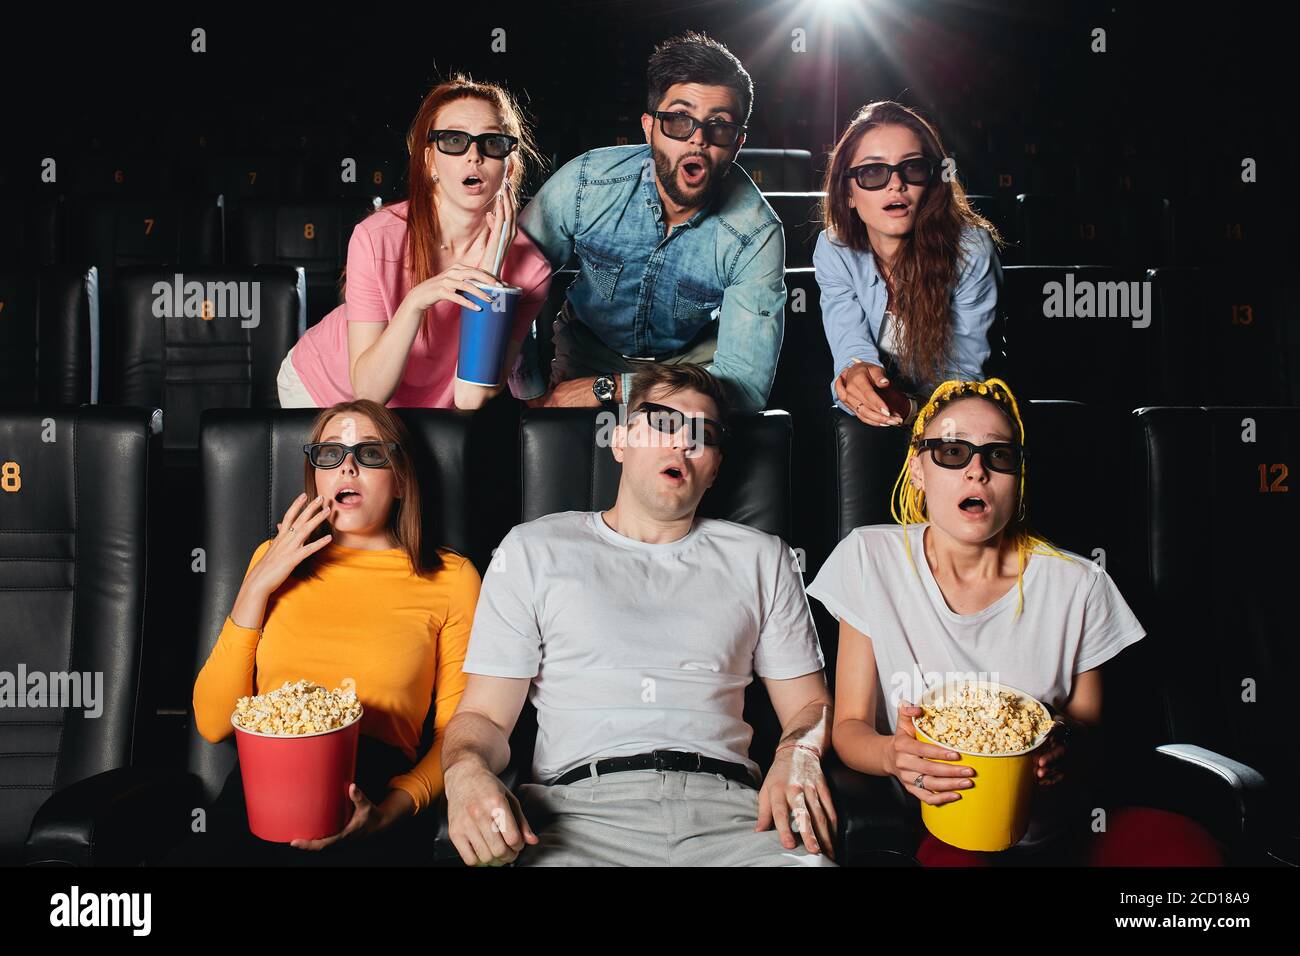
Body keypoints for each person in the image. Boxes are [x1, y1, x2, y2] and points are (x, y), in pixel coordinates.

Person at [805, 378, 1226, 865]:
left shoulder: (1078, 585)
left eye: (998, 457)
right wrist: (891, 756)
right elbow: (850, 725)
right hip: (953, 829)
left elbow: (1088, 728)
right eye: (952, 452)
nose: (976, 471)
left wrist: (1063, 744)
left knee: (1187, 849)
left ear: (1017, 475)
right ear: (917, 469)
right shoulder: (868, 558)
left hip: (1069, 828)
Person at [441, 363, 836, 866]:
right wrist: (464, 771)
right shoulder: (534, 549)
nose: (682, 444)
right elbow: (484, 718)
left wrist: (796, 755)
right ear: (621, 440)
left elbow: (809, 706)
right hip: (576, 816)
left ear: (714, 468)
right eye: (664, 421)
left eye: (703, 435)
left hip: (734, 816)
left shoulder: (762, 556)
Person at [178, 399, 480, 864]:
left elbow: (456, 734)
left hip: (370, 798)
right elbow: (213, 722)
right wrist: (257, 587)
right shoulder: (272, 561)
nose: (348, 468)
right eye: (330, 454)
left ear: (401, 480)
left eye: (371, 454)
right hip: (257, 794)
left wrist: (392, 810)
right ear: (316, 475)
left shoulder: (452, 578)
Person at [514, 31, 785, 415]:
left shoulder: (755, 233)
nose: (698, 141)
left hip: (693, 373)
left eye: (719, 126)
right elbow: (509, 287)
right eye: (678, 120)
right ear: (648, 127)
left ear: (738, 142)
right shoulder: (586, 185)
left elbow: (744, 387)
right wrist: (531, 391)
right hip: (587, 354)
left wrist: (613, 389)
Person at [276, 75, 552, 410]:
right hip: (327, 388)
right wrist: (416, 301)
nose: (474, 156)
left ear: (509, 165)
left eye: (492, 142)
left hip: (427, 410)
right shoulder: (377, 237)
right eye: (454, 141)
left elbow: (469, 397)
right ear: (429, 161)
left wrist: (492, 267)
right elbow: (369, 392)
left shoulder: (532, 270)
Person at [815, 101, 1002, 427]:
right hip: (877, 416)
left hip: (959, 417)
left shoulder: (972, 250)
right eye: (873, 171)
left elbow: (967, 375)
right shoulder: (835, 250)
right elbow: (850, 349)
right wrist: (858, 376)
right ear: (847, 193)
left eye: (912, 168)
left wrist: (911, 409)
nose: (895, 184)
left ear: (932, 181)